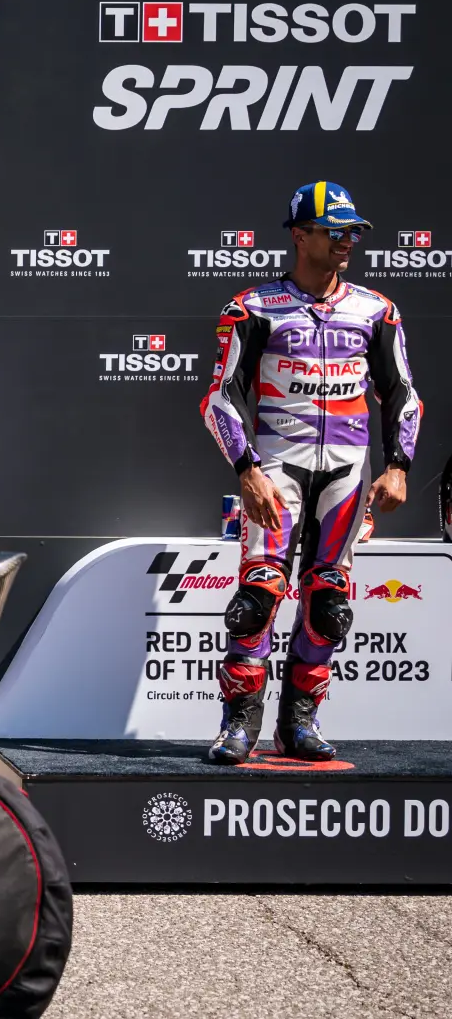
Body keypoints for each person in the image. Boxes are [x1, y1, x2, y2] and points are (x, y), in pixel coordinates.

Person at [199, 181, 420, 765]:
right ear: (301, 236)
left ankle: (298, 725)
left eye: (354, 232)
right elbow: (220, 399)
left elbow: (403, 394)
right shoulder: (251, 308)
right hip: (275, 466)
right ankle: (237, 725)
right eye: (335, 231)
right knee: (257, 597)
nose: (348, 241)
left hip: (348, 470)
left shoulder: (377, 310)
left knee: (329, 604)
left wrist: (398, 465)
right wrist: (247, 470)